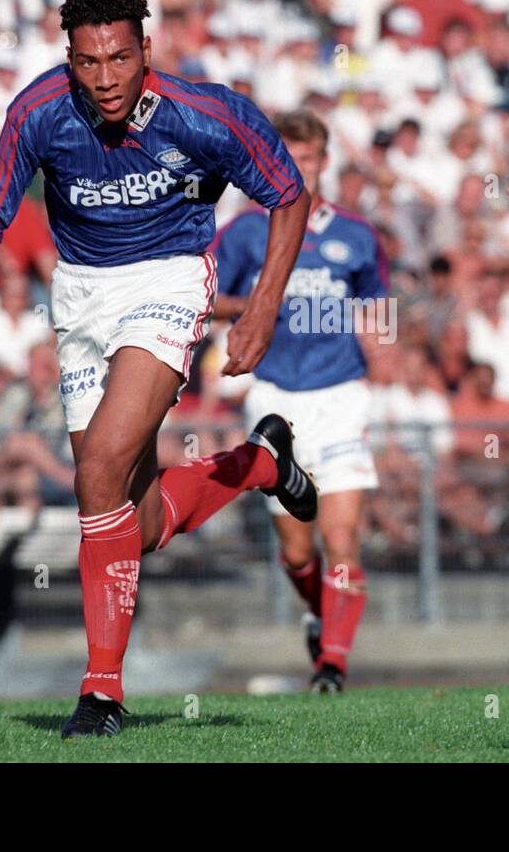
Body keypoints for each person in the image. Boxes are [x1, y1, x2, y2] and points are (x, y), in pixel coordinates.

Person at [0, 0, 318, 739]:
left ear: (146, 49)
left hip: (170, 278)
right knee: (131, 519)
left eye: (120, 58)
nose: (104, 78)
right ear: (68, 59)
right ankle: (259, 464)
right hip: (78, 295)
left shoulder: (207, 115)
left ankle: (101, 691)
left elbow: (288, 194)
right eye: (88, 61)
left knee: (98, 466)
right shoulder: (39, 113)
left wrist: (263, 304)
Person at [213, 109, 387, 692]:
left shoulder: (357, 234)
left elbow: (377, 309)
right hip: (274, 397)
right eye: (288, 158)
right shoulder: (245, 231)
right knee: (295, 551)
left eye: (309, 158)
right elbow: (207, 297)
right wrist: (262, 304)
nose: (300, 168)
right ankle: (321, 614)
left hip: (340, 395)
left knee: (342, 537)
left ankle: (332, 663)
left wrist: (383, 363)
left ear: (325, 161)